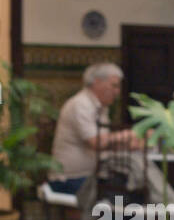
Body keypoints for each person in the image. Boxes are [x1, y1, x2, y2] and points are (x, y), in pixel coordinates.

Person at [47, 62, 143, 195]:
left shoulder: (101, 107)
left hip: (92, 176)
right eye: (114, 86)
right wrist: (130, 134)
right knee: (123, 196)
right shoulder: (81, 104)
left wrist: (137, 142)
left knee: (135, 188)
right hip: (70, 179)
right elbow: (97, 142)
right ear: (97, 82)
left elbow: (108, 143)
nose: (117, 92)